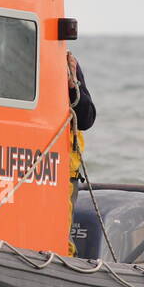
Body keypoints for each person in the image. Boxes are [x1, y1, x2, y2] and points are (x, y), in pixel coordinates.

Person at [66, 51, 96, 255]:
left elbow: (86, 118)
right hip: (17, 164)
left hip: (60, 169)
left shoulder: (67, 64)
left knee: (60, 235)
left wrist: (72, 85)